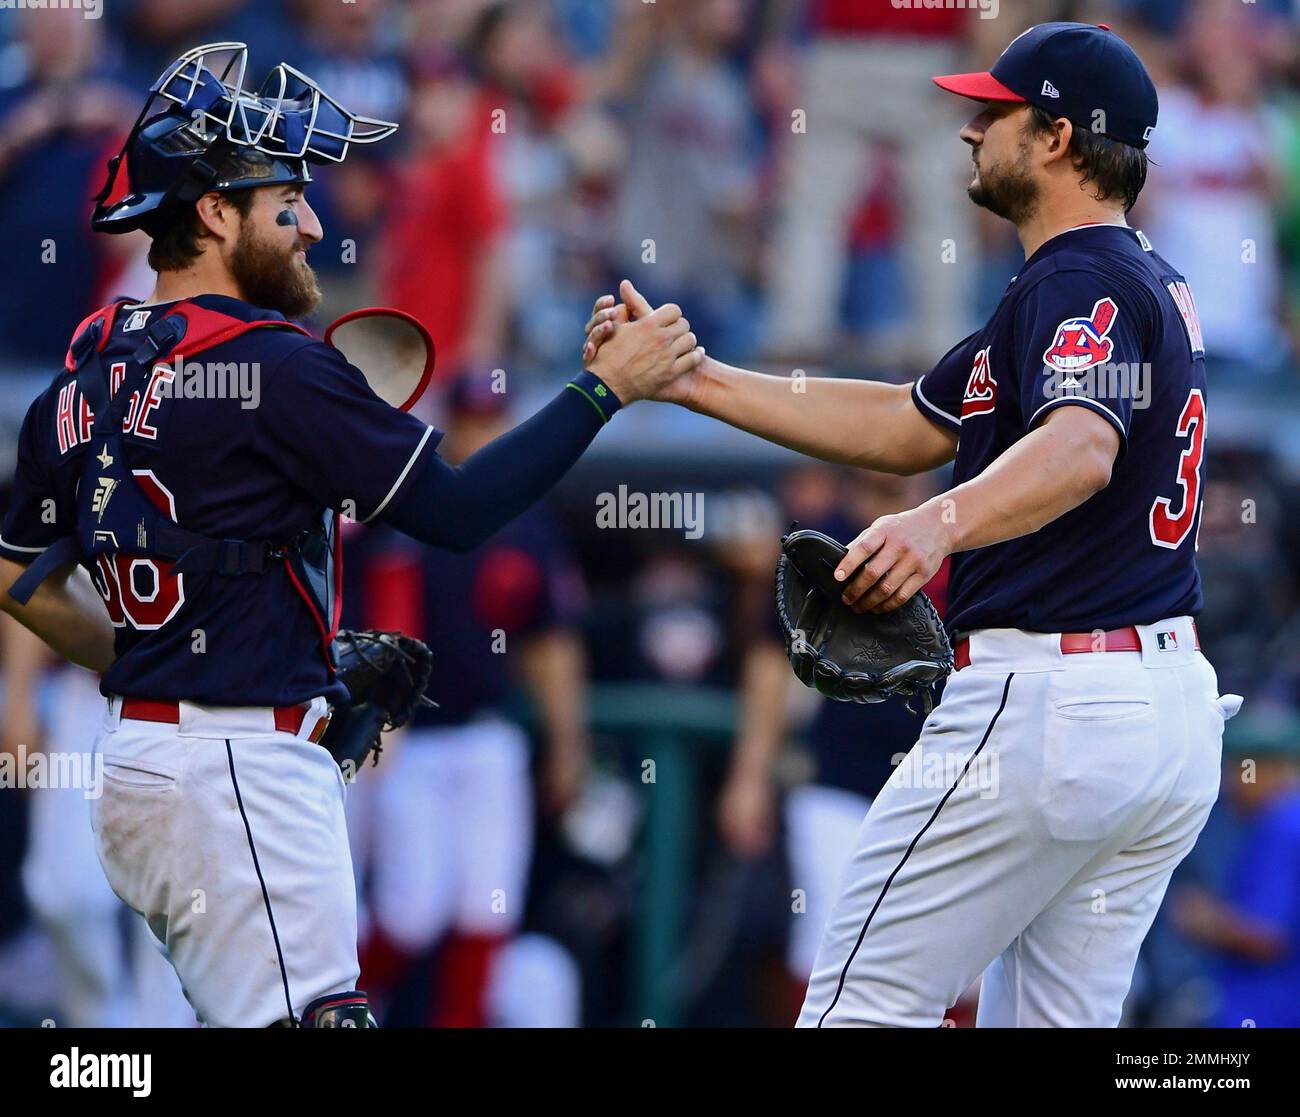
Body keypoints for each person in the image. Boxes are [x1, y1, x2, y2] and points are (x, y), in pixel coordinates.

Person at [0, 42, 700, 1029]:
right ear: (213, 210)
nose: (314, 223)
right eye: (287, 201)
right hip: (235, 774)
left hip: (145, 769)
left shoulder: (83, 366)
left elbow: (17, 575)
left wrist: (156, 662)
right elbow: (455, 512)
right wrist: (604, 388)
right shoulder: (276, 367)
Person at [586, 22, 1239, 1027]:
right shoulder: (1126, 278)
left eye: (994, 111)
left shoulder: (1078, 278)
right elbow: (903, 423)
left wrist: (937, 524)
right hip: (1157, 709)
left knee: (855, 1007)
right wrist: (696, 379)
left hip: (1051, 699)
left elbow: (1080, 447)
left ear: (1057, 138)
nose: (970, 129)